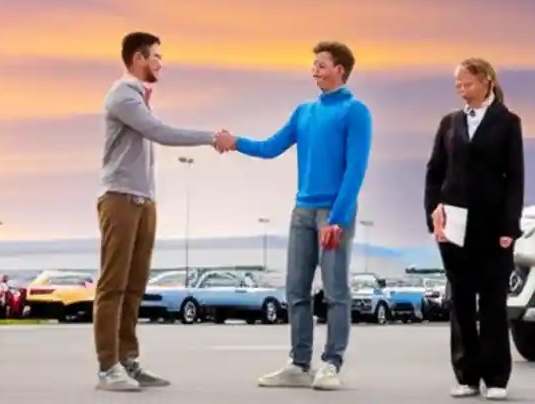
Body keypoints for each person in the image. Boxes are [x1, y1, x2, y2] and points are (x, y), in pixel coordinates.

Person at [214, 41, 372, 391]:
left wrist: (337, 218)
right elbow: (271, 147)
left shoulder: (355, 111)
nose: (314, 70)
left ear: (340, 70)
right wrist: (234, 141)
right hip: (302, 209)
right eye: (313, 64)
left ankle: (331, 364)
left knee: (336, 291)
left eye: (321, 64)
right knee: (296, 288)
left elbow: (355, 169)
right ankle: (299, 364)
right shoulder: (304, 112)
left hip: (334, 212)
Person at [94, 31, 222, 392]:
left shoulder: (141, 97)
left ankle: (128, 361)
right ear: (138, 58)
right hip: (119, 197)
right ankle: (108, 367)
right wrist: (210, 137)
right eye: (156, 56)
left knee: (134, 287)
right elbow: (159, 132)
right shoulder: (123, 94)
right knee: (113, 286)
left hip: (142, 199)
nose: (161, 63)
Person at [424, 58, 524, 401]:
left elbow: (515, 178)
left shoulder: (508, 123)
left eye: (466, 83)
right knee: (462, 302)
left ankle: (497, 377)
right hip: (453, 225)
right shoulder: (449, 123)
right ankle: (467, 375)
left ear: (486, 81)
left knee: (493, 302)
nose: (461, 90)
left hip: (494, 226)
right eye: (457, 85)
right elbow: (435, 171)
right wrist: (432, 214)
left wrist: (510, 225)